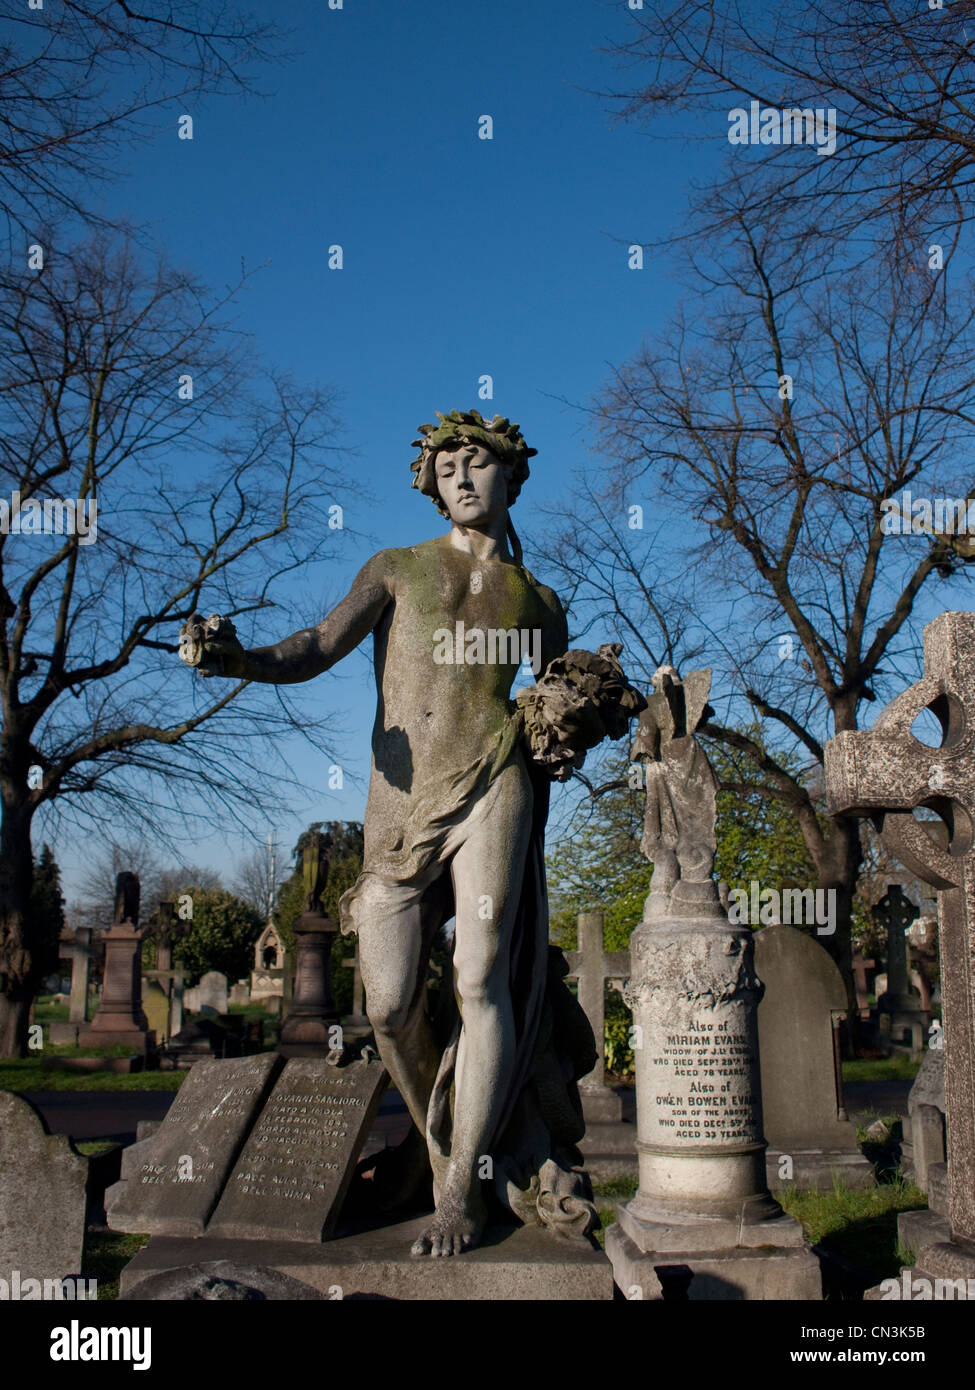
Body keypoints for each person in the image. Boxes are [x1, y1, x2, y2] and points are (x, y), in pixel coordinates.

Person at [179, 409, 602, 1257]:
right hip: (401, 806)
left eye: (476, 466)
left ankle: (457, 1193)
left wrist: (580, 710)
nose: (461, 481)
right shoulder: (399, 569)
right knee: (389, 1003)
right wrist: (240, 658)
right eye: (447, 471)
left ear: (510, 478)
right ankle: (447, 1146)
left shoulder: (539, 600)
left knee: (481, 976)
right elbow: (316, 645)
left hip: (495, 781)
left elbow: (559, 707)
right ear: (431, 484)